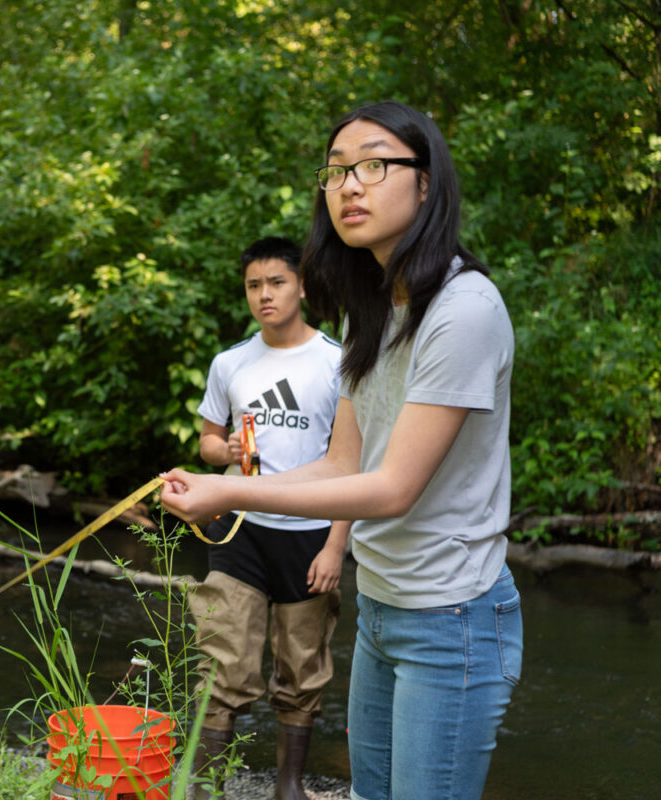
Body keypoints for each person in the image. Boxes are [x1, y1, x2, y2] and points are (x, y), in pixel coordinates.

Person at [161, 101, 522, 800]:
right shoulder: (371, 308)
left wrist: (229, 490)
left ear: (426, 183)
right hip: (381, 605)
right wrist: (220, 482)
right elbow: (341, 463)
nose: (350, 184)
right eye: (336, 170)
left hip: (451, 616)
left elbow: (391, 488)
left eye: (374, 165)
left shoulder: (464, 309)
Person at [187, 236, 349, 800]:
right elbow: (207, 441)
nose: (264, 295)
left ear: (302, 285)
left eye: (276, 282)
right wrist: (224, 451)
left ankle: (288, 788)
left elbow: (354, 466)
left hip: (309, 535)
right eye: (253, 285)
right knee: (223, 660)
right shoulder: (230, 362)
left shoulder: (337, 362)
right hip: (238, 530)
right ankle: (206, 789)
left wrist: (335, 547)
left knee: (302, 668)